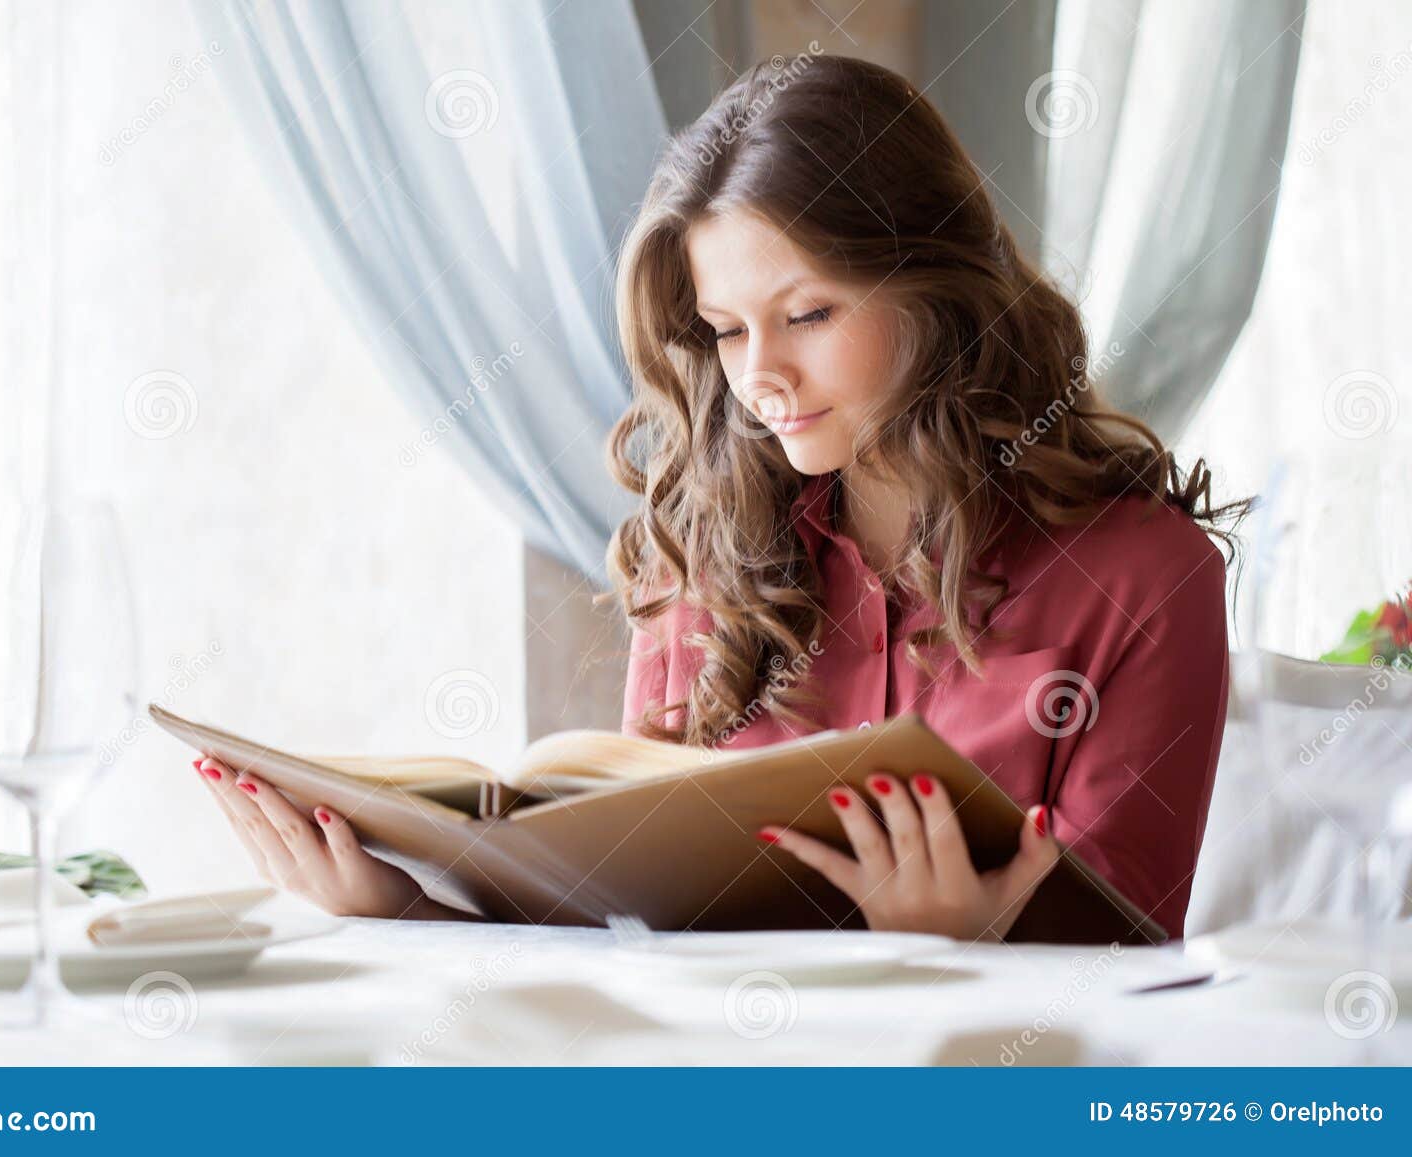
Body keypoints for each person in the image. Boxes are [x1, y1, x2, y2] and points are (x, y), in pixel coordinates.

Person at [197, 54, 1248, 942]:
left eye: (808, 312)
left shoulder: (1146, 578)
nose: (761, 378)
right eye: (727, 329)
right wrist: (401, 906)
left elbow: (1133, 969)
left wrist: (962, 950)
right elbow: (618, 953)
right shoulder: (702, 566)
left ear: (939, 287)